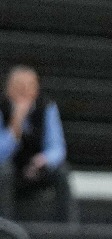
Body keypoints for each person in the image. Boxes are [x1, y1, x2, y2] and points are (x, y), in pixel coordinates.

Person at [1, 65, 73, 223]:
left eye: (29, 87)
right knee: (4, 172)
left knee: (62, 172)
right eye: (19, 87)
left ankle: (67, 231)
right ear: (8, 90)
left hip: (37, 166)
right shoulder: (2, 109)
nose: (24, 92)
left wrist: (44, 160)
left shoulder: (46, 107)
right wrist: (15, 126)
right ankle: (6, 229)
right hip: (11, 168)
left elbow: (57, 147)